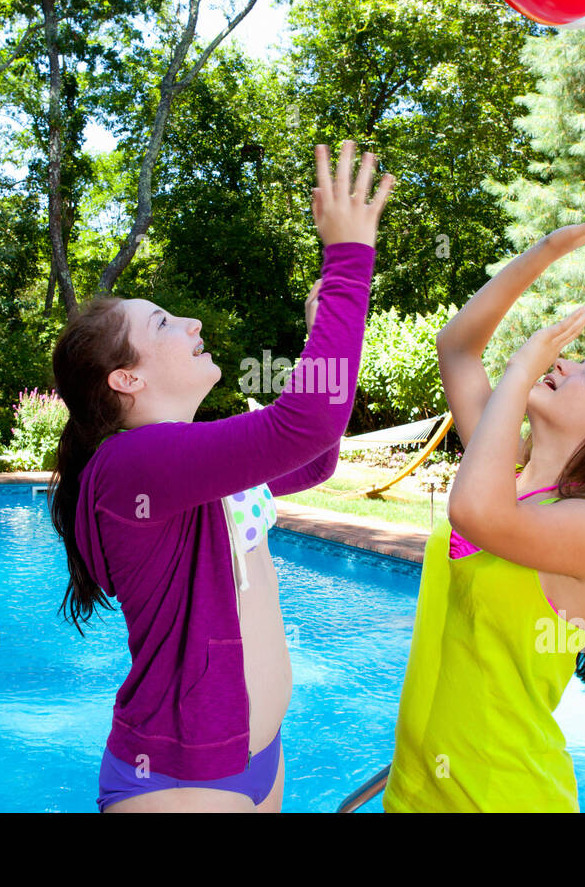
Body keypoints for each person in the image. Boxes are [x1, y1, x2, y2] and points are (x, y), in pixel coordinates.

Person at [49, 141, 394, 812]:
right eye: (163, 323)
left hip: (257, 755)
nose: (191, 322)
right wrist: (349, 258)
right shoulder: (131, 467)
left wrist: (321, 332)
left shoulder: (190, 462)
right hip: (181, 781)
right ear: (128, 379)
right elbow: (309, 425)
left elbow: (314, 458)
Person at [381, 211, 585, 812]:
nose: (566, 364)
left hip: (504, 796)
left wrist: (521, 369)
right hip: (419, 791)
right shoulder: (513, 477)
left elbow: (475, 513)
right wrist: (547, 249)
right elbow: (457, 347)